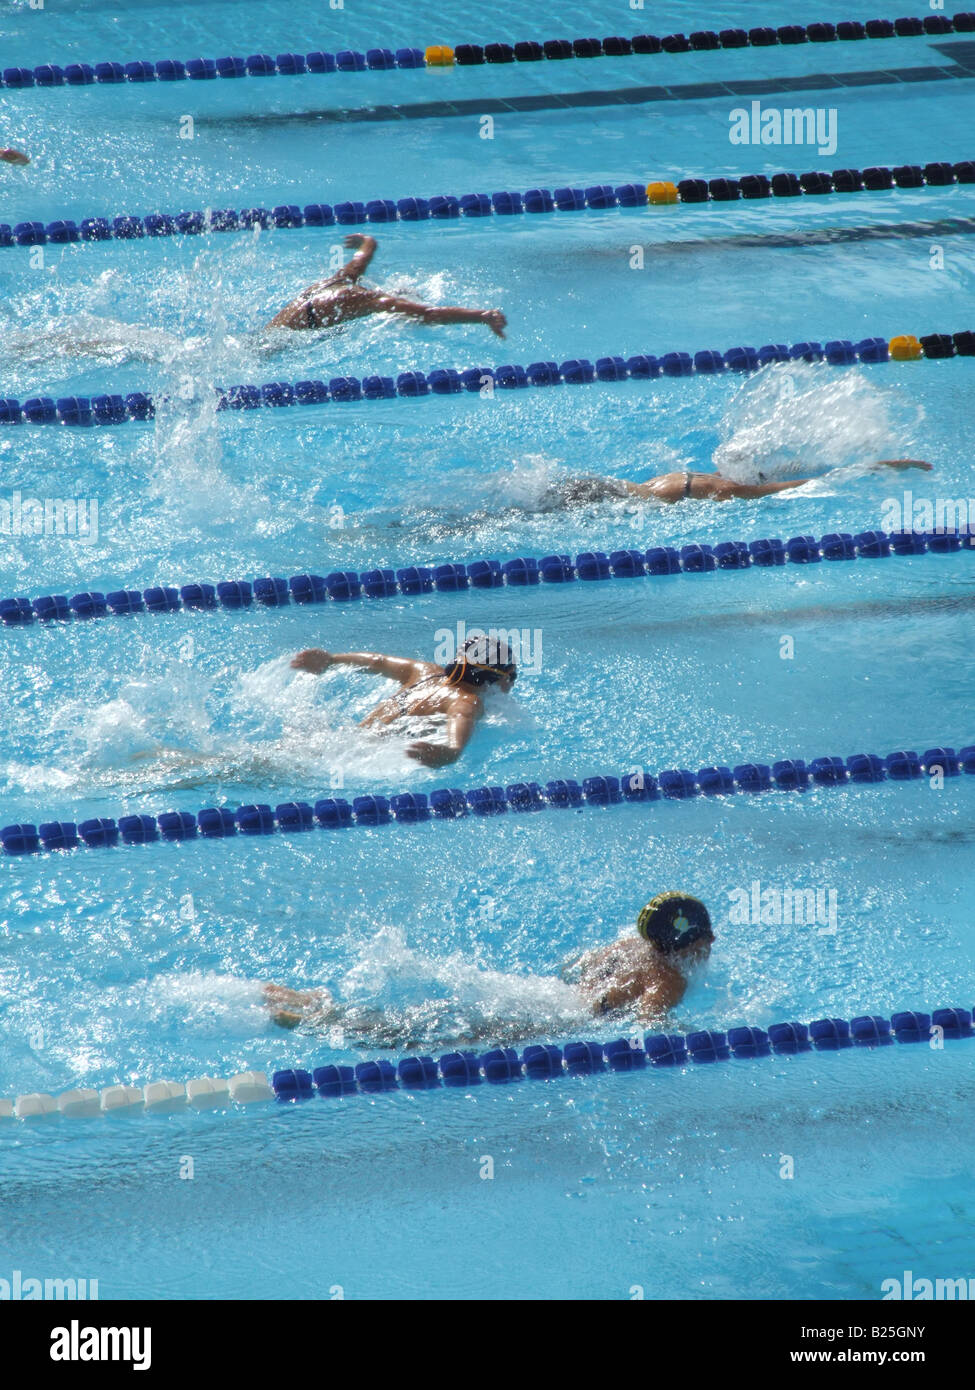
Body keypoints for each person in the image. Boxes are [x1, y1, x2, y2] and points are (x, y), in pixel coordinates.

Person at [261, 892, 715, 1041]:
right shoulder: (670, 977)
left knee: (435, 1022)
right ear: (685, 944)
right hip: (552, 1019)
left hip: (538, 995)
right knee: (422, 1041)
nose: (714, 941)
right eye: (705, 935)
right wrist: (694, 1035)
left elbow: (572, 968)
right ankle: (322, 1019)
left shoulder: (626, 945)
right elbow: (648, 1024)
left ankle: (317, 1005)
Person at [290, 632, 517, 767]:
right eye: (511, 676)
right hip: (357, 756)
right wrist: (453, 751)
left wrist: (332, 659)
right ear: (494, 678)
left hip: (344, 739)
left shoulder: (424, 671)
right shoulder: (468, 700)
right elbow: (462, 715)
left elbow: (377, 661)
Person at [265, 233, 507, 337]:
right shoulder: (374, 301)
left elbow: (363, 256)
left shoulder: (343, 280)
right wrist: (483, 316)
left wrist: (367, 241)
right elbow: (429, 314)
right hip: (279, 345)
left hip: (269, 332)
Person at [539, 457, 932, 509]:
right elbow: (801, 484)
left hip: (609, 485)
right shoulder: (726, 489)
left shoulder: (697, 474)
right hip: (613, 499)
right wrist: (876, 466)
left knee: (534, 509)